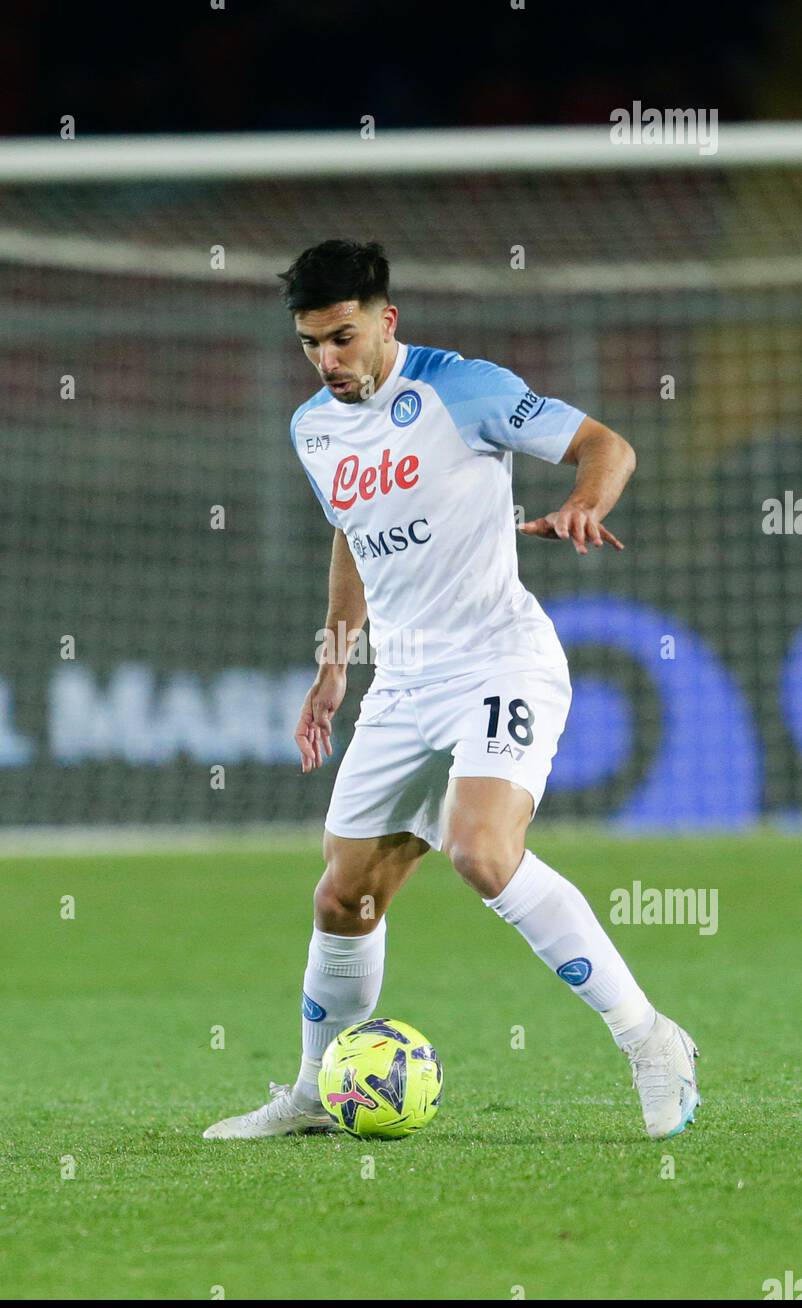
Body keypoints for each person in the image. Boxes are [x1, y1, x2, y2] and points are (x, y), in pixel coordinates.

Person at [203, 239, 700, 1142]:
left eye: (344, 338)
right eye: (311, 344)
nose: (328, 361)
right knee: (341, 897)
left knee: (481, 852)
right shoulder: (313, 428)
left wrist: (588, 501)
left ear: (386, 320)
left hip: (498, 660)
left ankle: (653, 1040)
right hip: (402, 683)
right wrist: (333, 661)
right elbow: (352, 534)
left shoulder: (462, 389)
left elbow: (606, 444)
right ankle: (317, 1090)